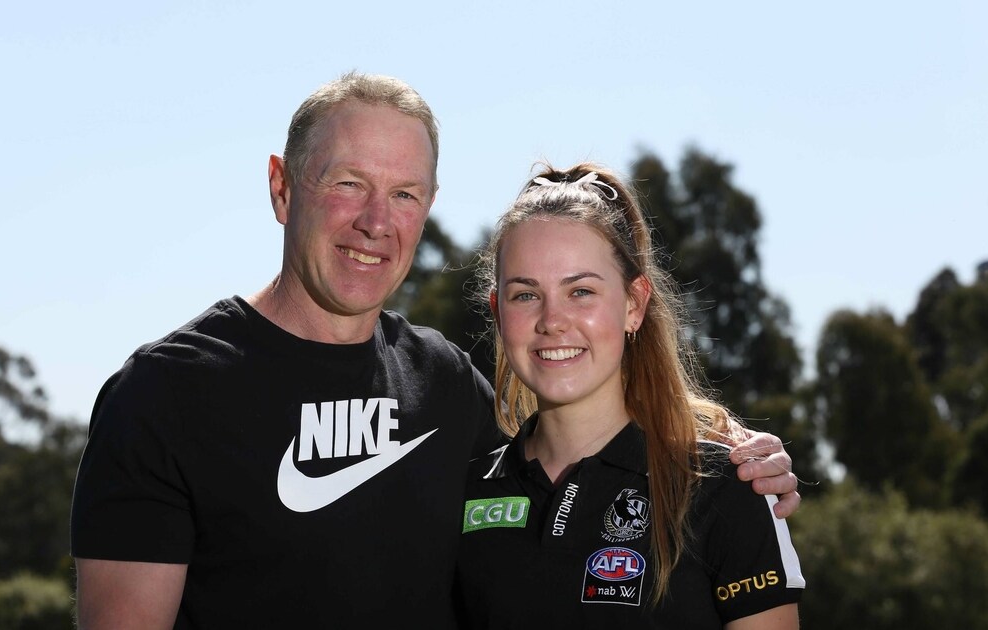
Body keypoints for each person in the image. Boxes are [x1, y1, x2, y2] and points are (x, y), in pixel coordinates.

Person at [70, 73, 800, 629]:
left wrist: (733, 452)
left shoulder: (444, 385)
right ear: (282, 188)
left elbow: (589, 439)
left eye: (406, 194)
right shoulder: (163, 397)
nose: (375, 223)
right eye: (348, 183)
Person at [454, 163, 805, 628]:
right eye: (525, 295)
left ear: (634, 304)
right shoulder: (463, 493)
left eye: (580, 291)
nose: (552, 320)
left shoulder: (724, 487)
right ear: (498, 312)